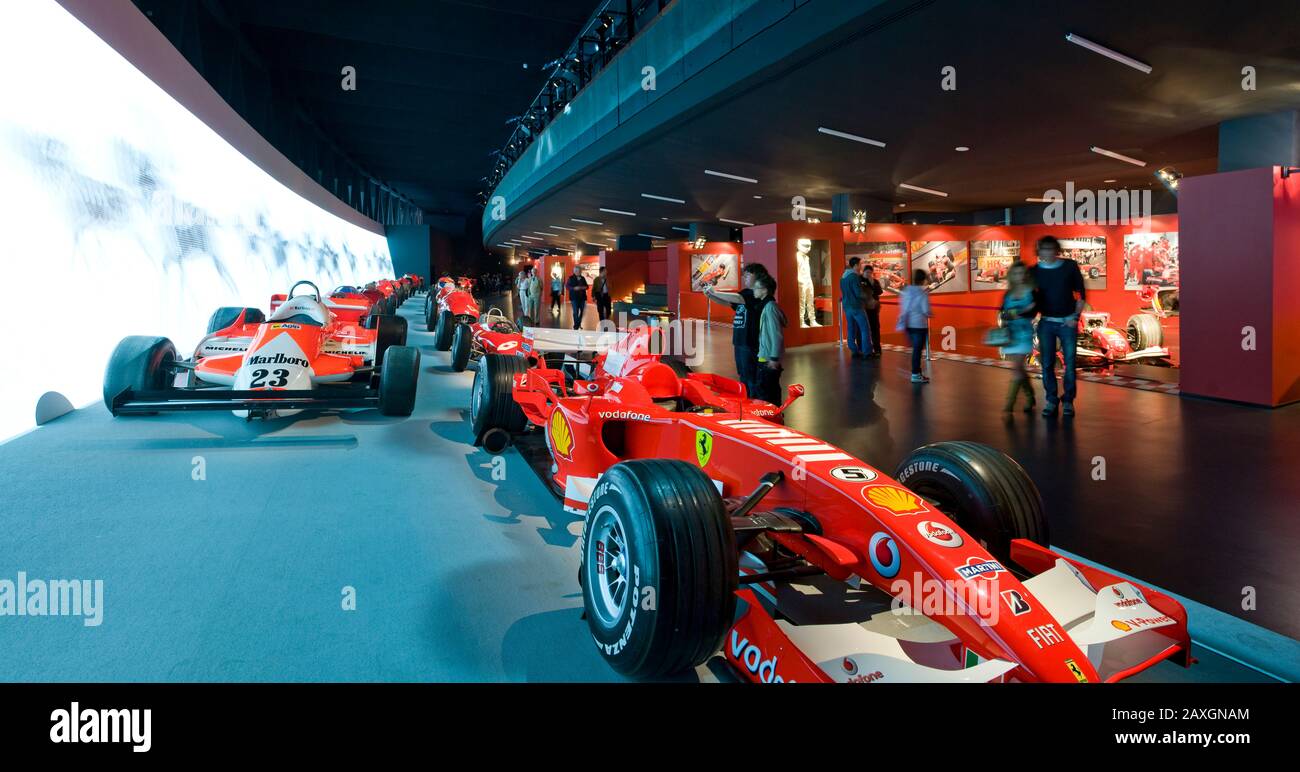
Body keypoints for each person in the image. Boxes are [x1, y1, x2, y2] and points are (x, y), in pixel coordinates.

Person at [1028, 235, 1086, 416]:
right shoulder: (1035, 271)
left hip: (1067, 322)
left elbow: (1080, 294)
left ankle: (1068, 401)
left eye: (1051, 249)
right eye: (1044, 249)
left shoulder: (1069, 266)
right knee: (1047, 364)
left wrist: (1075, 317)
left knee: (1069, 363)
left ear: (1056, 250)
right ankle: (1051, 400)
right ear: (1040, 251)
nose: (1048, 252)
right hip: (1047, 323)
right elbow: (1029, 296)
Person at [704, 263, 769, 398]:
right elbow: (729, 303)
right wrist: (711, 296)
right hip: (739, 341)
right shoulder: (745, 293)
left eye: (748, 275)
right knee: (743, 375)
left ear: (758, 276)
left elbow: (738, 298)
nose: (745, 277)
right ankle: (747, 402)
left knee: (751, 376)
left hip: (749, 342)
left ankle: (754, 404)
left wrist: (715, 292)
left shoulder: (755, 294)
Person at [999, 262, 1037, 414]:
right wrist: (1009, 314)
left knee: (1016, 368)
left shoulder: (1031, 292)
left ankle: (1009, 406)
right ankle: (1030, 395)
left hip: (1024, 333)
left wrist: (1019, 313)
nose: (1019, 276)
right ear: (1011, 276)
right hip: (1010, 334)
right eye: (1015, 273)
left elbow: (1033, 313)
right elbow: (1002, 313)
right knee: (1019, 368)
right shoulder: (1007, 294)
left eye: (1021, 273)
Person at [754, 273, 787, 405]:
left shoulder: (770, 308)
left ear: (765, 290)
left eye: (756, 288)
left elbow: (776, 334)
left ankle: (772, 418)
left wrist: (774, 358)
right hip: (764, 356)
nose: (754, 290)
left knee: (768, 392)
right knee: (767, 390)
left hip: (768, 359)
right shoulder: (767, 306)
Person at [897, 269, 932, 383]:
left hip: (908, 325)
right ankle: (916, 374)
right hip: (919, 325)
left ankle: (917, 372)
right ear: (923, 280)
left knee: (915, 351)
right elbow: (926, 310)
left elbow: (903, 307)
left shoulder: (906, 291)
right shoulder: (922, 293)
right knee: (917, 351)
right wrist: (930, 314)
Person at [840, 257, 872, 359]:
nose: (861, 266)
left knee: (851, 328)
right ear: (856, 265)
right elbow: (858, 293)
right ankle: (867, 352)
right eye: (860, 264)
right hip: (856, 306)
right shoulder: (854, 277)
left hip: (847, 306)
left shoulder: (843, 277)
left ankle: (854, 350)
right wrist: (868, 296)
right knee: (864, 329)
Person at [861, 264, 883, 357]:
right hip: (863, 308)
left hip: (873, 308)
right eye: (867, 272)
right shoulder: (859, 280)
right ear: (863, 272)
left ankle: (877, 349)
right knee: (863, 329)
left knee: (875, 328)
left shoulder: (875, 281)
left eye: (870, 272)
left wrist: (873, 283)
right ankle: (864, 349)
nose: (869, 274)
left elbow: (880, 292)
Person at [566, 264, 589, 329]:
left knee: (582, 312)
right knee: (575, 312)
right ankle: (576, 325)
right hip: (574, 298)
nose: (577, 272)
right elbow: (567, 286)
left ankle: (578, 323)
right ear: (574, 271)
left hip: (582, 298)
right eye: (576, 271)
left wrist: (584, 287)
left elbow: (587, 286)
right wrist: (574, 288)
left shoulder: (583, 278)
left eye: (579, 271)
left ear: (580, 271)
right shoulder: (570, 278)